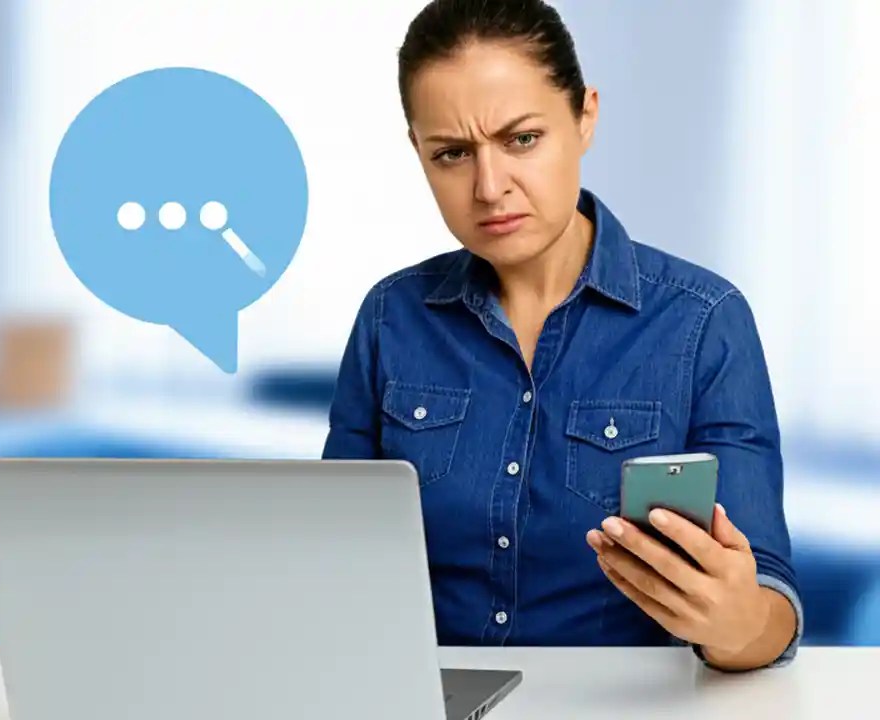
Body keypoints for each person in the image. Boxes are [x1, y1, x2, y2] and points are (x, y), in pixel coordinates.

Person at [322, 0, 801, 672]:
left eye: (522, 139)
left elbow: (770, 606)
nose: (489, 188)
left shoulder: (702, 320)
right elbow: (328, 565)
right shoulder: (389, 318)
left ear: (585, 118)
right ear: (418, 153)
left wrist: (735, 621)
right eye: (453, 154)